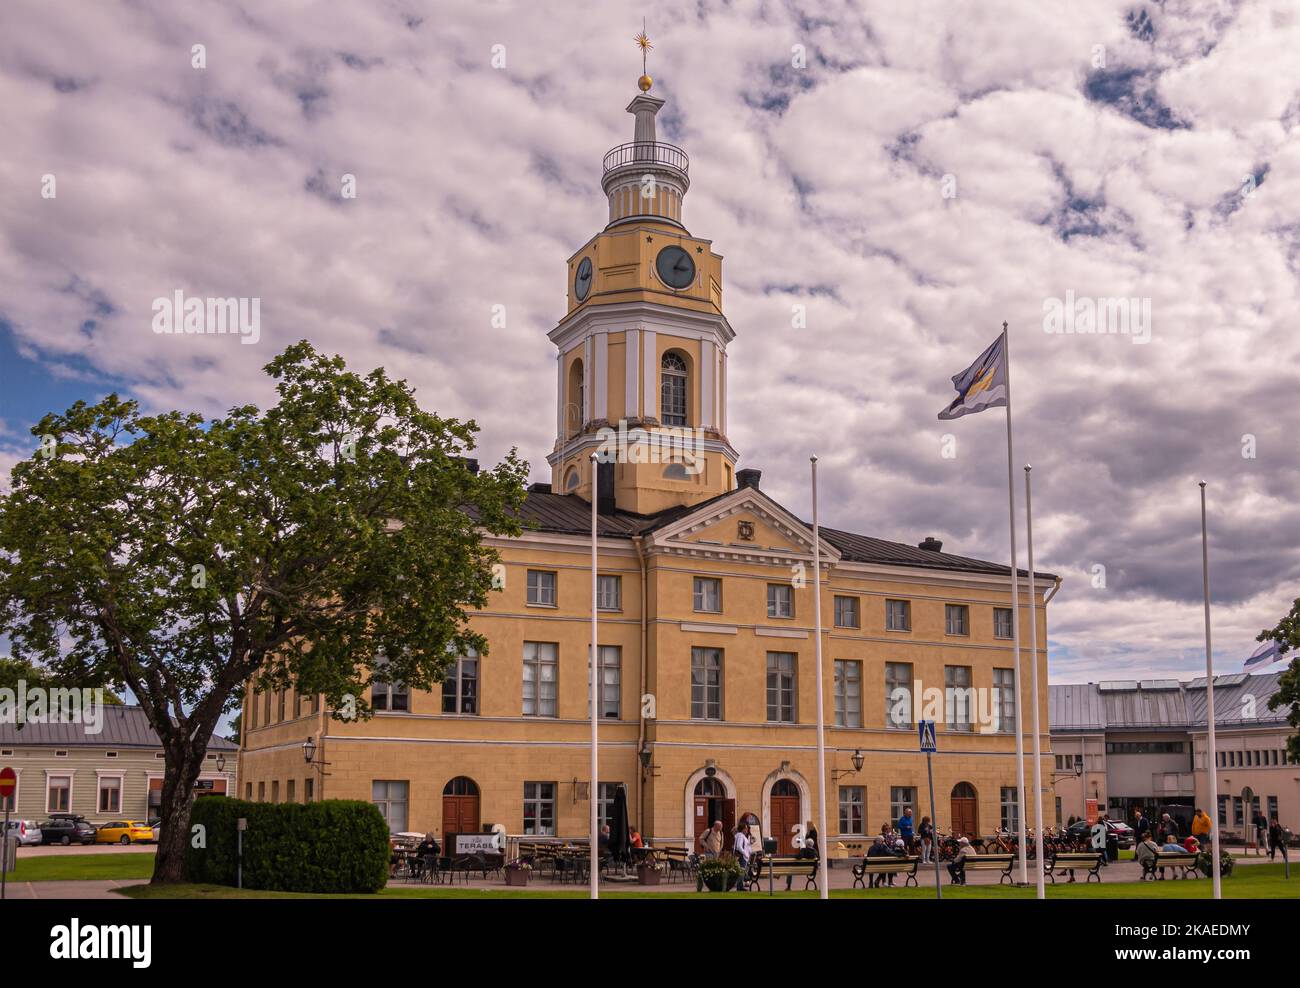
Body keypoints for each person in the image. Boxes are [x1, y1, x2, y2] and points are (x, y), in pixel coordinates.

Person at [788, 820, 818, 890]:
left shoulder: (803, 850)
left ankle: (788, 887)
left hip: (799, 868)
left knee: (789, 871)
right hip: (811, 870)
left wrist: (795, 856)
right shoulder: (815, 852)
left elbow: (799, 857)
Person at [732, 823, 753, 891]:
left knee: (742, 871)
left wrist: (751, 843)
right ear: (743, 829)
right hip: (742, 857)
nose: (747, 830)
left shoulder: (742, 836)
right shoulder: (741, 835)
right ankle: (740, 886)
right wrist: (745, 854)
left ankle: (740, 886)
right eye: (746, 828)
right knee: (741, 871)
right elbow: (739, 847)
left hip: (743, 856)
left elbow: (745, 845)